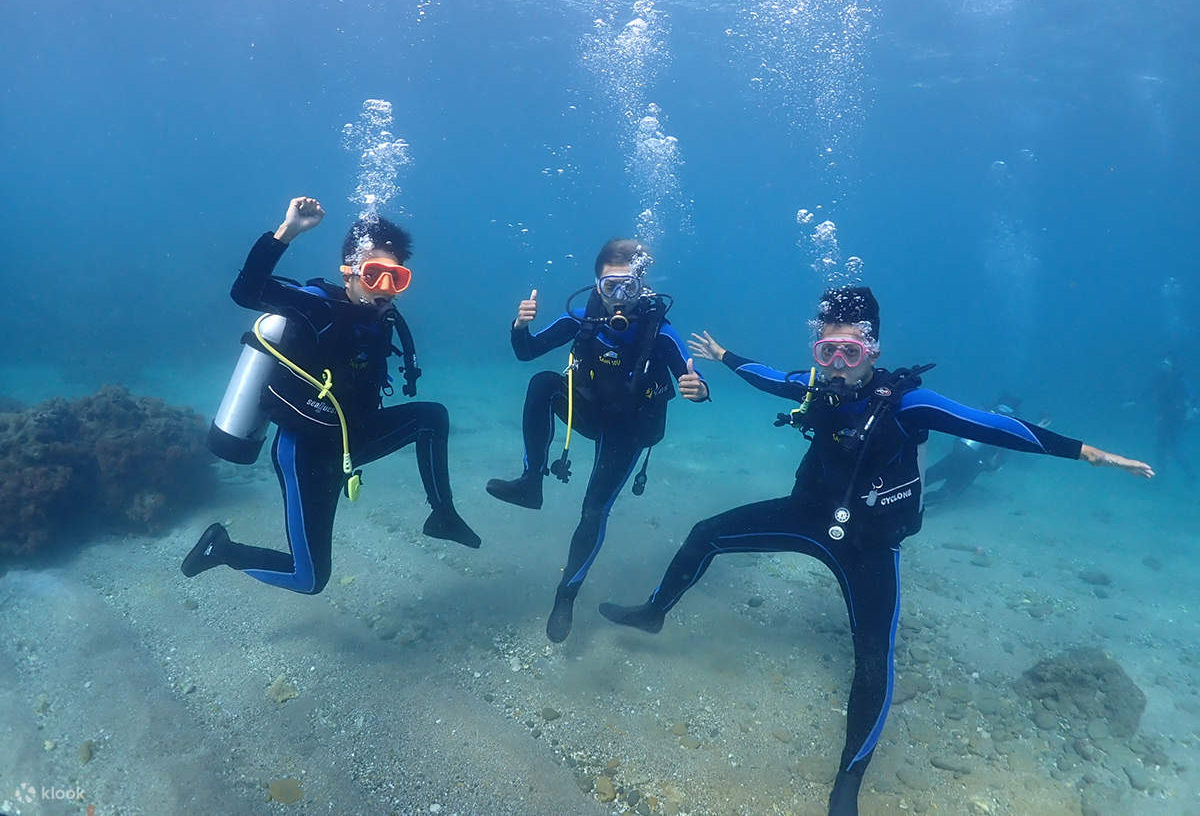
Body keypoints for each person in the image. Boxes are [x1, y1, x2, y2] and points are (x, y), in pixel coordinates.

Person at [598, 286, 1153, 816]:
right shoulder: (816, 385)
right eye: (827, 350)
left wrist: (1088, 453)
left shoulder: (909, 403)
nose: (838, 363)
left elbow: (995, 427)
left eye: (851, 351)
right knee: (705, 533)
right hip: (808, 516)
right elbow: (769, 377)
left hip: (870, 544)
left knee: (872, 661)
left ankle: (848, 782)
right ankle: (652, 614)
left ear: (873, 352)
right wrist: (725, 355)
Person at [182, 197, 480, 593]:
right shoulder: (316, 307)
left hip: (349, 440)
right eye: (375, 275)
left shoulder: (382, 317)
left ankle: (442, 515)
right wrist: (286, 232)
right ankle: (222, 550)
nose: (386, 289)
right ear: (349, 274)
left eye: (398, 278)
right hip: (306, 453)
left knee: (432, 417)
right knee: (309, 579)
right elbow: (246, 291)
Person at [486, 239, 711, 642]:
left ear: (643, 287)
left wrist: (699, 389)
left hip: (630, 430)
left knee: (593, 512)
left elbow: (689, 376)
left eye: (630, 288)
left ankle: (565, 595)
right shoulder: (581, 319)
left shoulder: (660, 332)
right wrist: (520, 326)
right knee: (542, 384)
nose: (620, 300)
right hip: (587, 413)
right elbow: (527, 353)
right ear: (596, 285)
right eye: (611, 287)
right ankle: (530, 482)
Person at [923, 394, 1049, 505]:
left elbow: (961, 431)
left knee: (926, 477)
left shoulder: (986, 413)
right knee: (948, 492)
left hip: (958, 452)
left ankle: (905, 498)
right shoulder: (1010, 424)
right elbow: (1000, 458)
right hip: (974, 464)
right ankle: (913, 509)